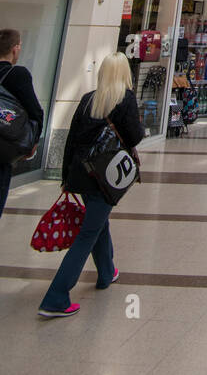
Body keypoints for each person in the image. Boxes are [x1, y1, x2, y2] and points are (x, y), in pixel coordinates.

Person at [38, 52, 144, 317]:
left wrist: (66, 178)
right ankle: (56, 297)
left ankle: (107, 271)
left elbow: (71, 141)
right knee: (88, 233)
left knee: (99, 222)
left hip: (82, 175)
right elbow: (135, 136)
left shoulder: (88, 100)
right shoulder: (125, 99)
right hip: (105, 176)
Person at [0, 28, 43, 218]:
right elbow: (36, 112)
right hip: (2, 152)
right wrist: (32, 142)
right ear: (15, 49)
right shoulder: (18, 74)